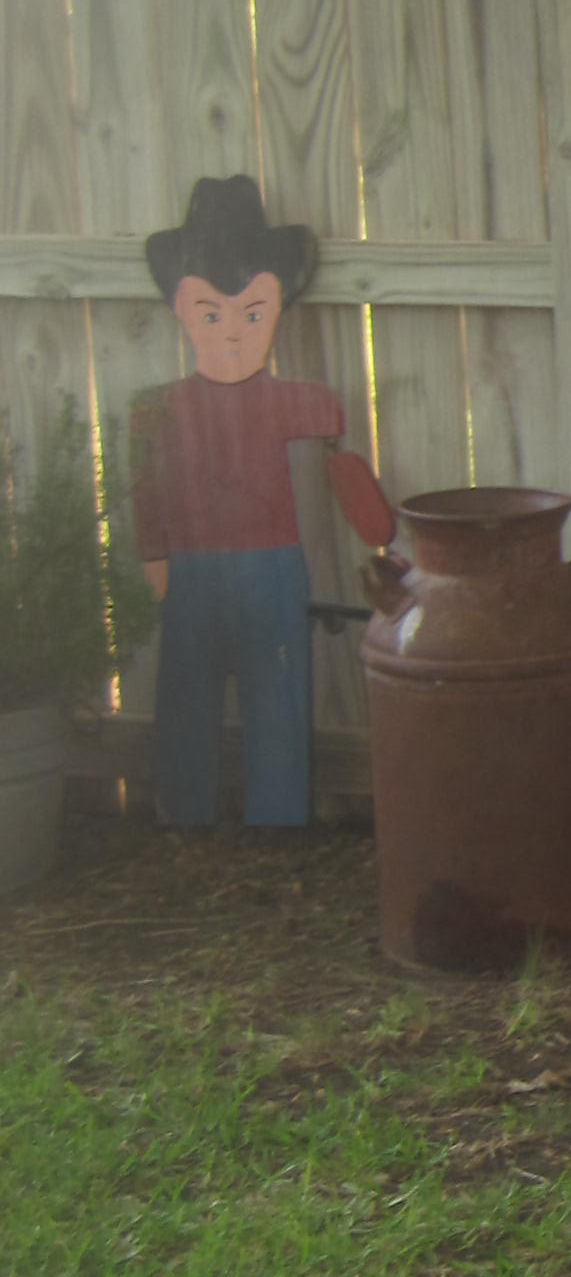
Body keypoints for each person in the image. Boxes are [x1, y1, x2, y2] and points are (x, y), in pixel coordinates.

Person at [133, 176, 395, 830]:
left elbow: (343, 471)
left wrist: (377, 533)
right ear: (182, 311)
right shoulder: (160, 407)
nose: (232, 334)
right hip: (190, 571)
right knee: (186, 691)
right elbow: (145, 484)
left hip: (273, 568)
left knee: (277, 690)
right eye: (211, 314)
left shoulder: (299, 402)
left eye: (253, 314)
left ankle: (275, 820)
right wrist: (153, 554)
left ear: (277, 311)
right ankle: (185, 814)